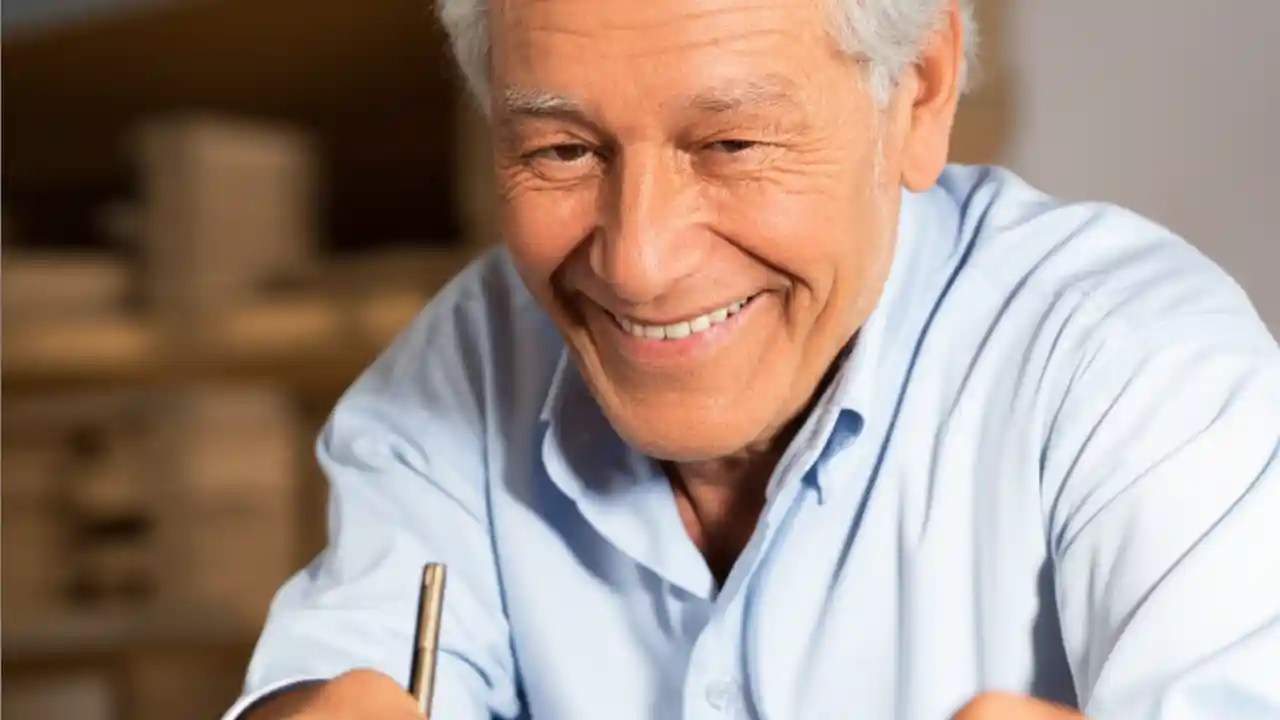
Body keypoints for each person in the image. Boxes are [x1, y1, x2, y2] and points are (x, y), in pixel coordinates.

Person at [226, 0, 1280, 717]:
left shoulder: (1135, 369)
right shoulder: (458, 366)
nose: (635, 263)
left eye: (730, 145)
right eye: (559, 151)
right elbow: (341, 675)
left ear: (917, 93)